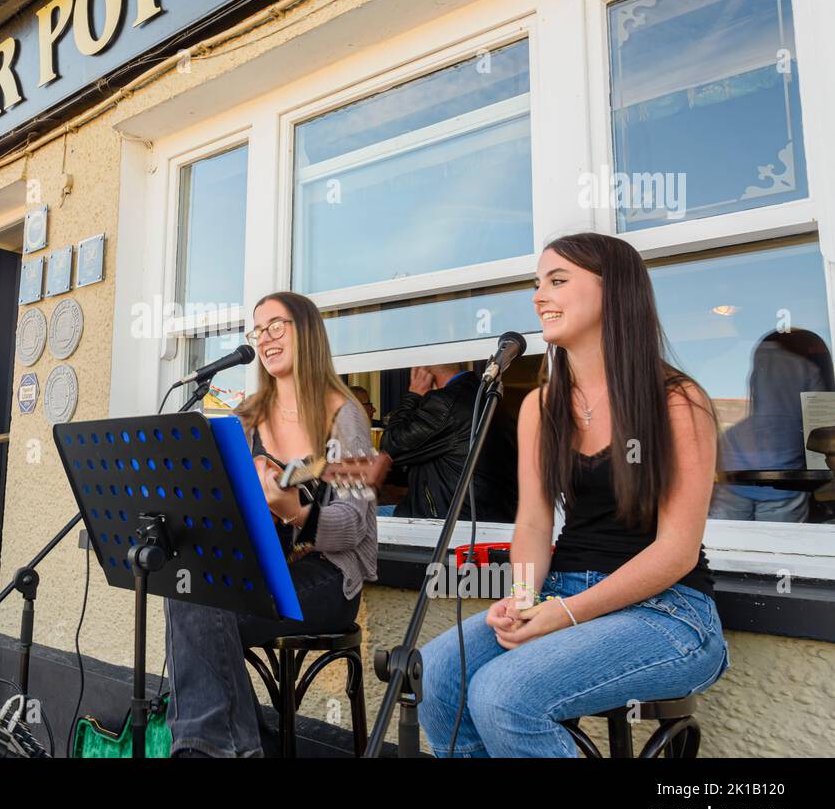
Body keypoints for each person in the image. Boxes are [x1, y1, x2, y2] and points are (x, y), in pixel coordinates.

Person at [417, 232, 729, 757]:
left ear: (615, 293)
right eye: (538, 284)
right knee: (437, 677)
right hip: (562, 592)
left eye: (557, 281)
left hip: (668, 613)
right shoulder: (542, 406)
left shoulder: (677, 401)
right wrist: (521, 600)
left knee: (504, 695)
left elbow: (676, 550)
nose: (539, 296)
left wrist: (566, 613)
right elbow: (536, 524)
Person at [166, 291, 377, 757]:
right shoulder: (247, 418)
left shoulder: (345, 417)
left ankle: (211, 749)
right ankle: (230, 748)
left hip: (328, 576)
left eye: (276, 326)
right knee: (186, 590)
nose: (264, 338)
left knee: (205, 609)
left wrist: (297, 511)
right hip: (264, 564)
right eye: (258, 330)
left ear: (307, 332)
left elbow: (355, 524)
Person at [710, 329, 834, 523]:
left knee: (726, 544)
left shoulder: (725, 361)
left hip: (731, 474)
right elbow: (818, 420)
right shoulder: (805, 368)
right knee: (779, 547)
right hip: (783, 480)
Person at [380, 363, 518, 523]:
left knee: (362, 520)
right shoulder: (485, 397)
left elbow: (390, 446)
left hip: (448, 521)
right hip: (488, 517)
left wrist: (414, 396)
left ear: (425, 376)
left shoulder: (444, 402)